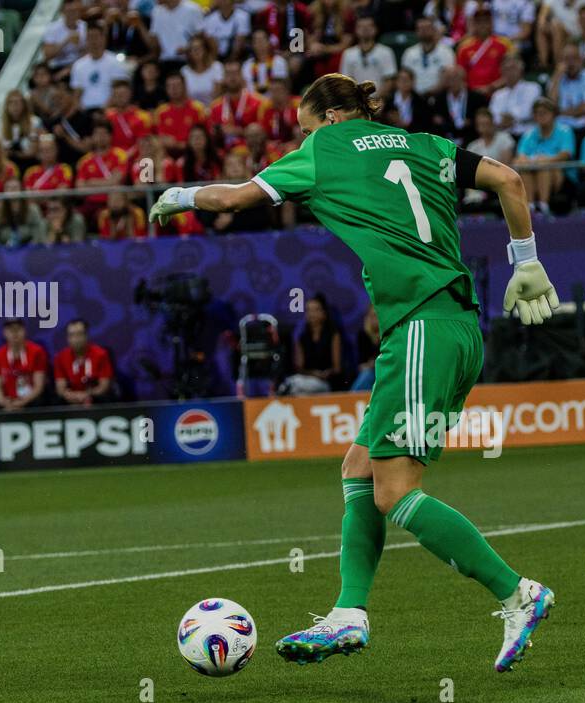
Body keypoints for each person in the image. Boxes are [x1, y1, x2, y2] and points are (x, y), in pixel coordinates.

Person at [148, 71, 558, 671]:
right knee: (360, 468)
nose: (305, 139)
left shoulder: (324, 150)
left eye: (308, 128)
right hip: (450, 327)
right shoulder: (426, 145)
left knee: (394, 491)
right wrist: (527, 261)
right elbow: (509, 179)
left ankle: (518, 594)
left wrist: (180, 195)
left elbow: (235, 199)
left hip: (421, 324)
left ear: (332, 121)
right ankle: (348, 613)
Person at [282, 293, 343, 393]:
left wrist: (324, 374)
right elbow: (299, 367)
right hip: (306, 380)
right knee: (297, 388)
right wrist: (313, 374)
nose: (312, 314)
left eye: (316, 310)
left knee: (295, 386)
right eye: (309, 310)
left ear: (324, 313)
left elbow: (337, 368)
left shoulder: (333, 335)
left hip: (326, 383)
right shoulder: (302, 338)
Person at [0, 318, 49, 410]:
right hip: (7, 404)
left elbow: (38, 386)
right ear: (4, 333)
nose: (15, 333)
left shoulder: (37, 352)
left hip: (31, 402)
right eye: (11, 330)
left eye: (18, 329)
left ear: (24, 331)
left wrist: (23, 402)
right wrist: (3, 402)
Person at [54, 318, 115, 405]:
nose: (75, 339)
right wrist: (72, 396)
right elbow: (60, 388)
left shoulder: (101, 354)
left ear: (87, 335)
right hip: (71, 399)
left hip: (95, 398)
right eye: (71, 335)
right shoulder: (60, 357)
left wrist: (86, 395)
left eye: (79, 334)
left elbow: (104, 386)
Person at [351, 302, 380, 390]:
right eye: (371, 316)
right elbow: (360, 365)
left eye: (376, 316)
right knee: (366, 375)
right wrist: (370, 364)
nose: (374, 319)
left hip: (383, 370)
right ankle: (352, 398)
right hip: (368, 371)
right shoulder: (363, 335)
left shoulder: (388, 335)